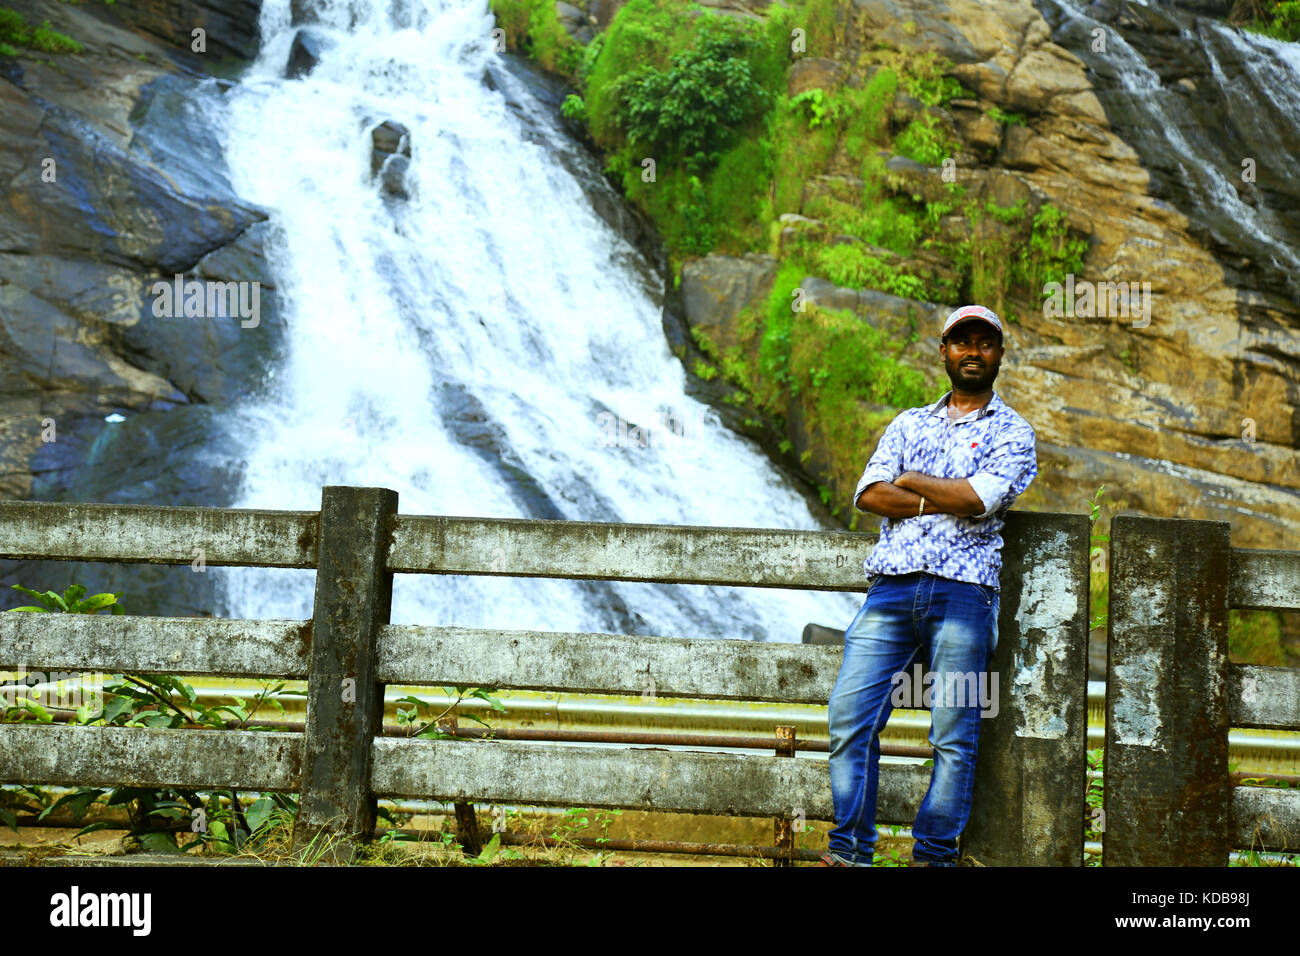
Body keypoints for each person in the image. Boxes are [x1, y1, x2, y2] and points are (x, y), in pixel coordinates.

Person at [818, 304, 1038, 867]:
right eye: (960, 342)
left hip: (965, 595)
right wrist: (934, 493)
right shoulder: (908, 422)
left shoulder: (1014, 432)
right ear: (944, 352)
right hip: (890, 590)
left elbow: (978, 499)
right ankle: (848, 853)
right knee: (849, 719)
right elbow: (868, 494)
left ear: (998, 354)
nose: (972, 351)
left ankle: (933, 857)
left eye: (983, 343)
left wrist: (911, 482)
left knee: (953, 735)